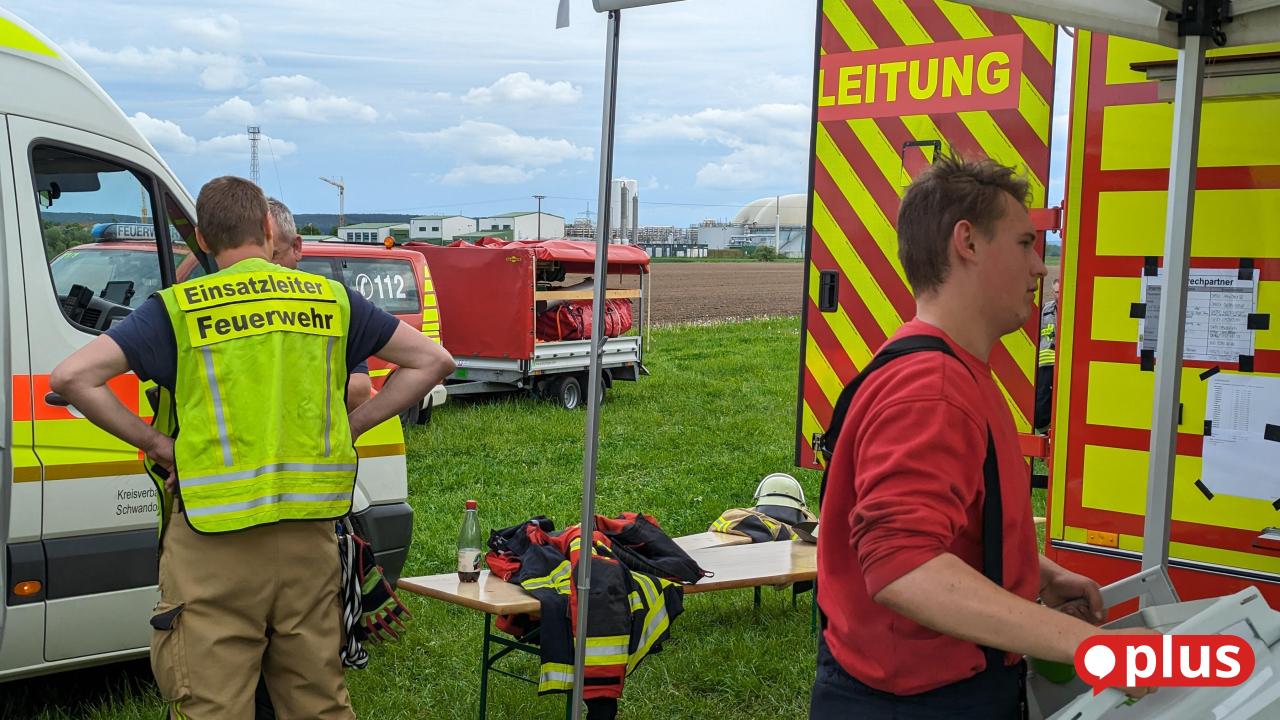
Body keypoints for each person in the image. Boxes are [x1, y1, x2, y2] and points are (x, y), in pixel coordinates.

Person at [50, 176, 456, 719]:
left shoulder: (179, 308)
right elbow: (434, 362)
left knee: (215, 706)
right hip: (311, 537)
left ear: (201, 237)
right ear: (268, 228)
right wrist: (352, 425)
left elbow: (73, 377)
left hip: (213, 542)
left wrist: (158, 445)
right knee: (317, 703)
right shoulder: (331, 301)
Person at [810, 156, 1142, 719]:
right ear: (967, 242)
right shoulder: (932, 387)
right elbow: (904, 567)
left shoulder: (949, 368)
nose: (1039, 268)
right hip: (913, 704)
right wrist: (1091, 647)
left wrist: (1039, 573)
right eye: (1023, 244)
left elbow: (954, 526)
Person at [267, 197, 373, 412]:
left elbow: (360, 389)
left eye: (272, 256)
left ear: (296, 247)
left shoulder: (329, 301)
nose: (263, 268)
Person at [1035, 276, 1059, 431]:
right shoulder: (1045, 310)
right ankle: (1044, 434)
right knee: (1042, 404)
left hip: (1065, 365)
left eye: (1061, 292)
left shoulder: (1075, 310)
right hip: (1045, 364)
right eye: (1056, 292)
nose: (1059, 295)